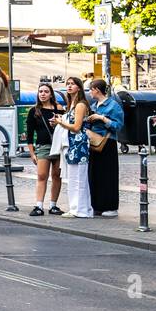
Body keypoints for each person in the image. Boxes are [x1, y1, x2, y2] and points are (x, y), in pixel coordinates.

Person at [52, 77, 93, 218]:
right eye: (67, 84)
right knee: (74, 178)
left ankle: (79, 210)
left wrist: (60, 123)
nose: (69, 86)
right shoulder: (72, 105)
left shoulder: (80, 105)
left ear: (79, 88)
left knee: (78, 179)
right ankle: (78, 208)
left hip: (78, 144)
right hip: (72, 144)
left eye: (72, 84)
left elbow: (76, 127)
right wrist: (60, 120)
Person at [24, 81, 64, 217]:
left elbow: (65, 127)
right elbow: (29, 135)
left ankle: (53, 205)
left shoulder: (58, 108)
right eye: (40, 91)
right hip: (43, 147)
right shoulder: (34, 110)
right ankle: (39, 205)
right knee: (42, 175)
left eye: (46, 91)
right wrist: (32, 153)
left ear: (51, 94)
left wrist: (58, 122)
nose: (43, 94)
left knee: (57, 175)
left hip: (58, 146)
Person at [86, 79, 124, 218]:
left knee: (108, 175)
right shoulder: (94, 105)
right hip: (93, 141)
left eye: (91, 89)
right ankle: (96, 205)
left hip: (107, 142)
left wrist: (102, 118)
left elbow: (118, 126)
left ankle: (110, 206)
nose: (90, 92)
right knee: (94, 174)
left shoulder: (113, 105)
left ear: (97, 90)